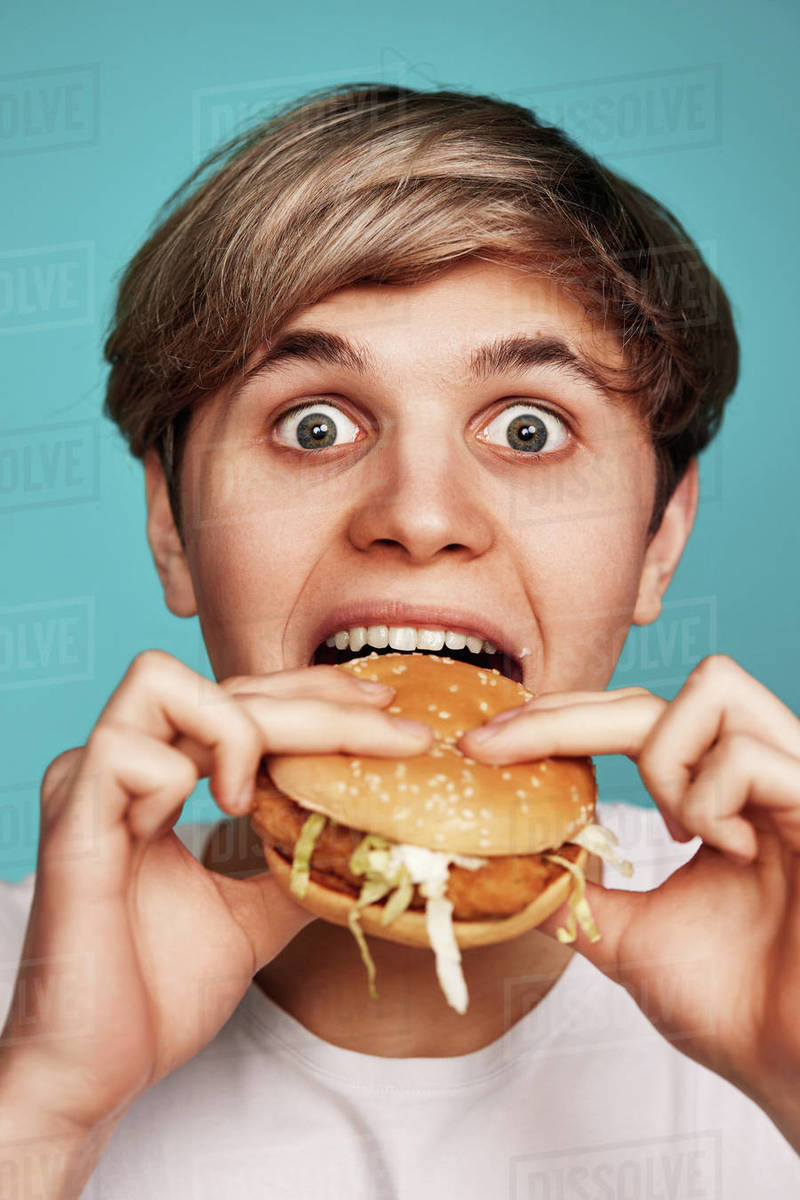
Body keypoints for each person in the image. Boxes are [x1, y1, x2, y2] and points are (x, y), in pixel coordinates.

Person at [1, 83, 798, 1198]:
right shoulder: (24, 1004)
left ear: (660, 539)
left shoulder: (782, 964)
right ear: (170, 525)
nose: (419, 516)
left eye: (528, 429)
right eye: (313, 423)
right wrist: (45, 1109)